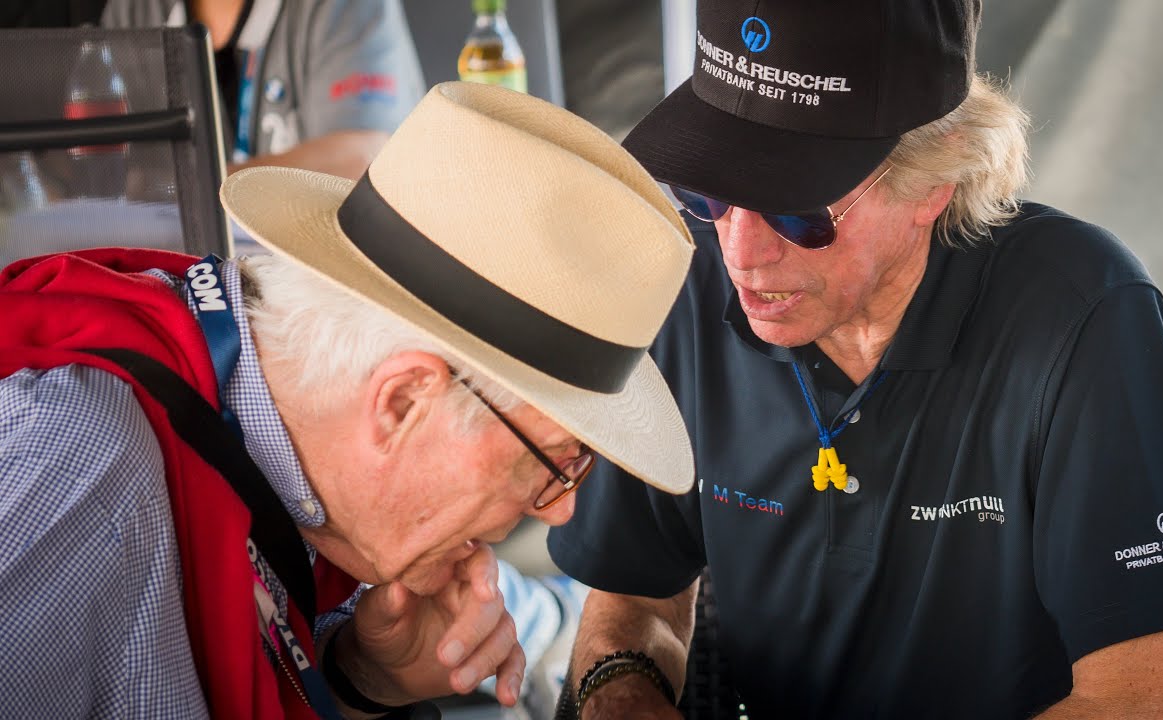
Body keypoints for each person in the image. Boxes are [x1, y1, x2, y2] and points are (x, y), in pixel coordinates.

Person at [547, 0, 1163, 718]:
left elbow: (1142, 705)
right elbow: (633, 595)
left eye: (798, 212)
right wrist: (619, 691)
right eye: (707, 193)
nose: (742, 253)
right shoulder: (689, 285)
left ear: (932, 181)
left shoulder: (1084, 310)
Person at [0, 81, 695, 718]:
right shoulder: (79, 470)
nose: (564, 506)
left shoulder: (283, 469)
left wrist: (361, 680)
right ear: (400, 402)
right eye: (556, 463)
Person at [100, 0, 426, 180]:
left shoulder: (344, 8)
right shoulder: (132, 10)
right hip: (174, 271)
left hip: (315, 281)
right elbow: (79, 172)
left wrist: (202, 194)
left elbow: (367, 157)